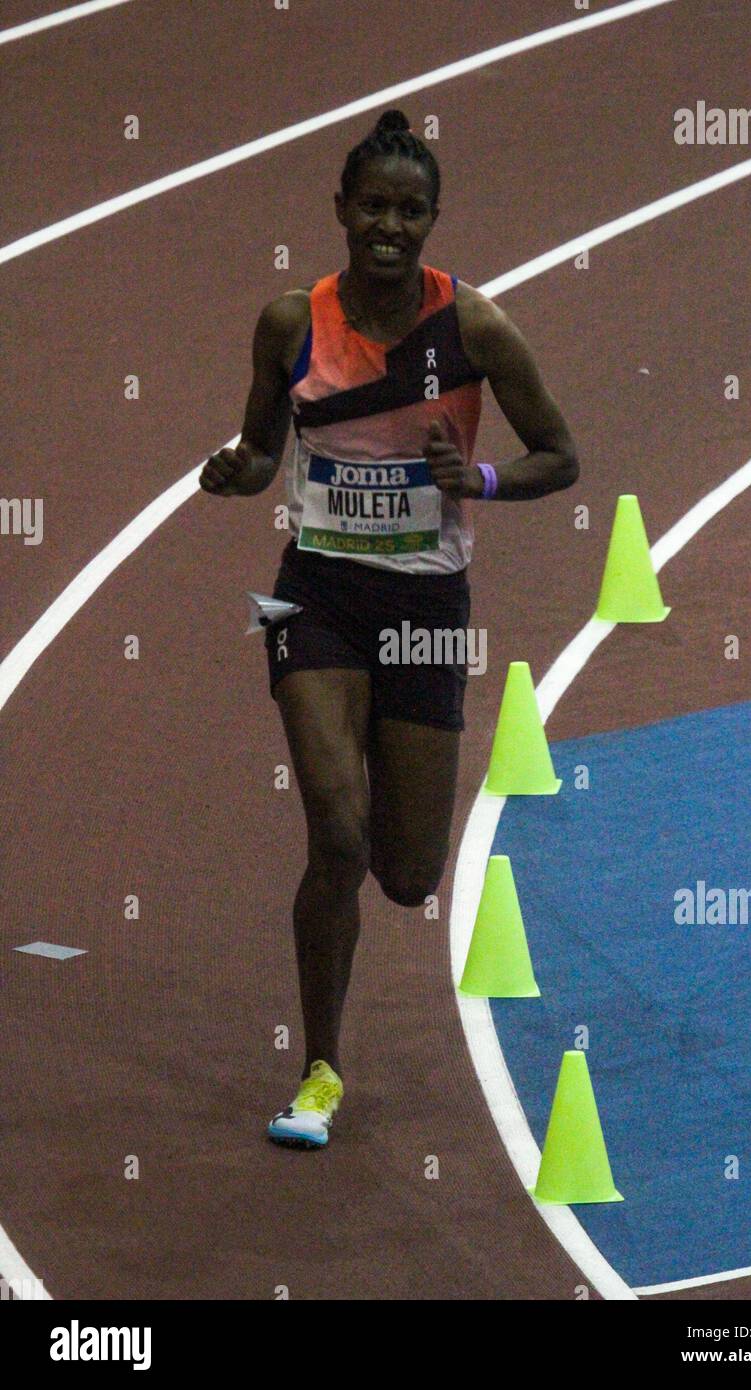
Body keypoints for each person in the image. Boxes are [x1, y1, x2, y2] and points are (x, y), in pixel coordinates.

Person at [199, 109, 578, 1148]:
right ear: (339, 210)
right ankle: (319, 1069)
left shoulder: (476, 329)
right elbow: (262, 446)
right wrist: (238, 474)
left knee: (407, 874)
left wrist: (484, 477)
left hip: (427, 612)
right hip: (312, 597)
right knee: (335, 830)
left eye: (409, 211)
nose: (388, 226)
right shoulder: (290, 323)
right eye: (371, 205)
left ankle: (371, 874)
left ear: (431, 221)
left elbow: (562, 456)